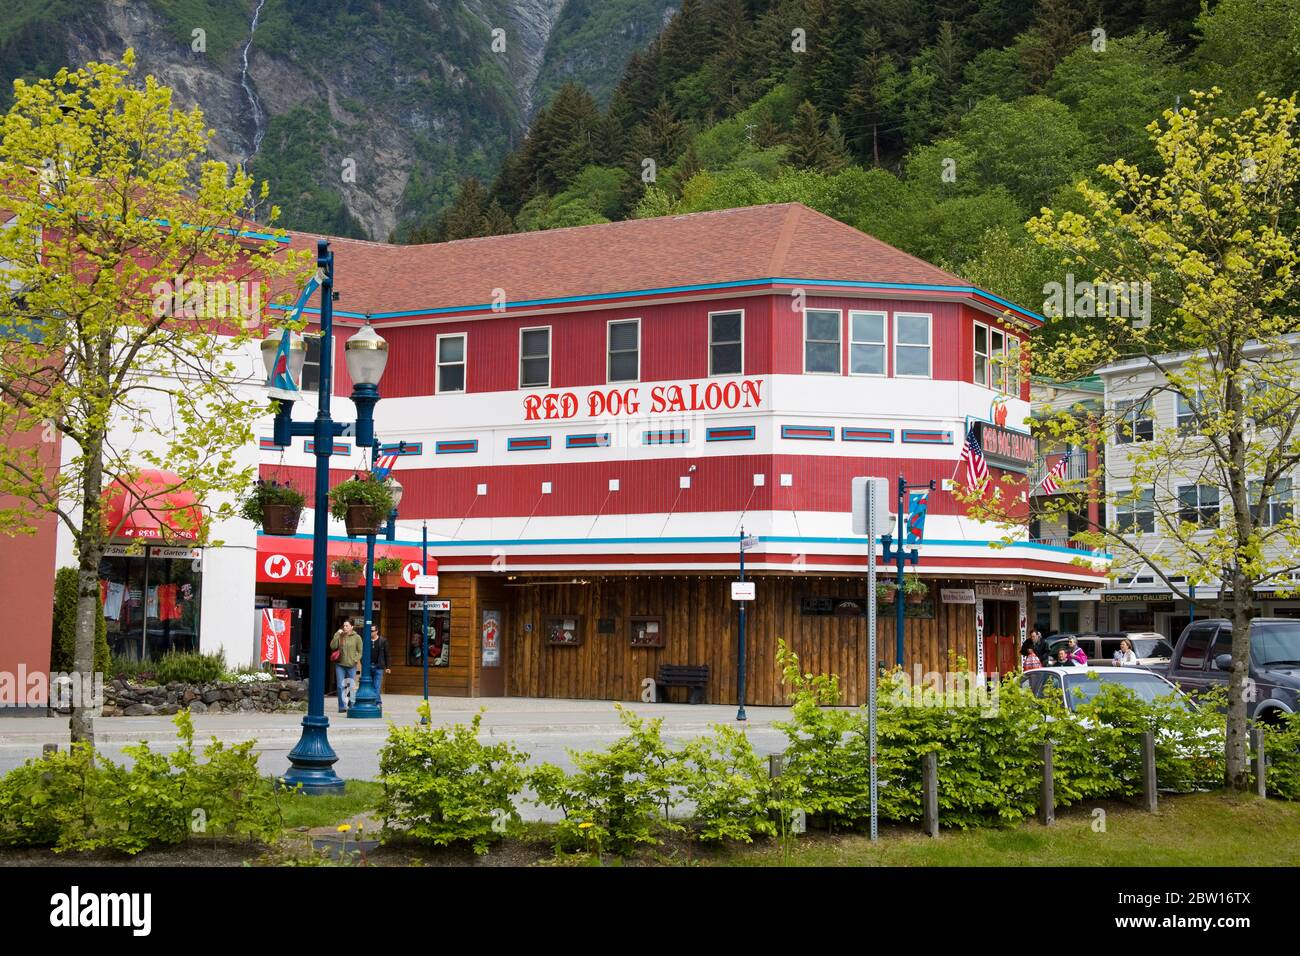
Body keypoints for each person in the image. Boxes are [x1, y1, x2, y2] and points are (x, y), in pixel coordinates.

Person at [330, 619, 363, 713]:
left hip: (352, 665)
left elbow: (360, 651)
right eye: (344, 626)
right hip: (340, 665)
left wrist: (355, 660)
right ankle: (341, 706)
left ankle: (352, 704)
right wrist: (337, 634)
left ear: (352, 627)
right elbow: (332, 646)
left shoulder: (357, 637)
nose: (345, 627)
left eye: (347, 626)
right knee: (340, 686)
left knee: (351, 686)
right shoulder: (340, 636)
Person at [370, 628, 390, 703]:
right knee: (370, 686)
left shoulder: (383, 641)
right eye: (369, 631)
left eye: (372, 631)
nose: (370, 632)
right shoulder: (366, 640)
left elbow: (387, 654)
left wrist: (388, 667)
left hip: (379, 666)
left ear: (376, 631)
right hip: (368, 666)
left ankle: (377, 702)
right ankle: (377, 701)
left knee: (377, 686)